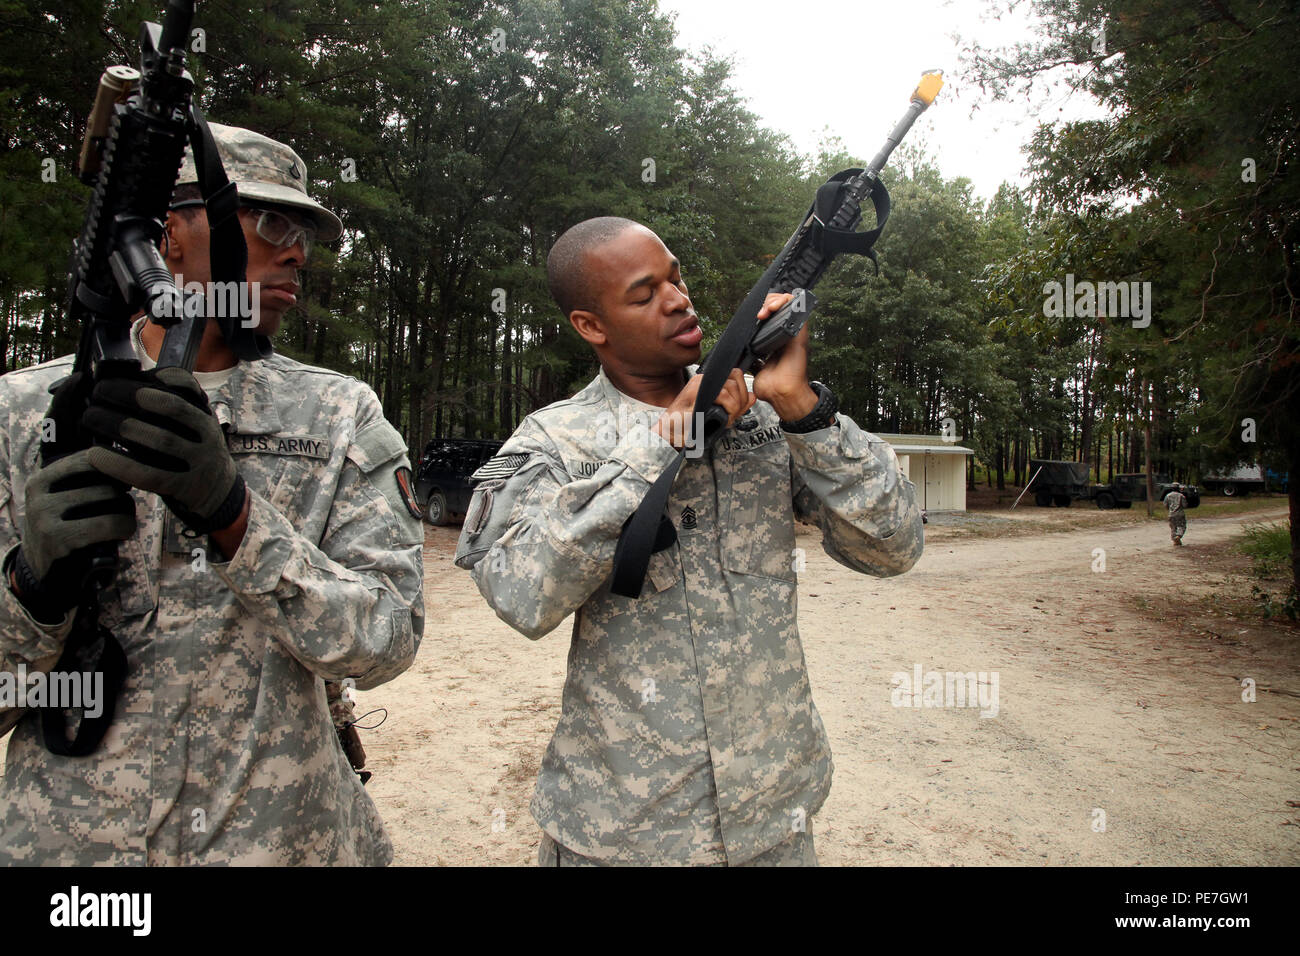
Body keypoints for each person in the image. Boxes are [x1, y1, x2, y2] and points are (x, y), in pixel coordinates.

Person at [0, 123, 425, 865]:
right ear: (168, 237)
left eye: (305, 233)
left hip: (277, 840)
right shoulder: (26, 413)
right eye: (269, 222)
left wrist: (237, 520)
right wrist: (30, 592)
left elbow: (387, 638)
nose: (295, 250)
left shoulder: (336, 414)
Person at [454, 216, 924, 866]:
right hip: (622, 832)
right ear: (592, 325)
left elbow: (893, 545)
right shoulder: (552, 443)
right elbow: (520, 593)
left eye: (675, 278)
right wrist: (657, 446)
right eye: (644, 293)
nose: (677, 298)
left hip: (773, 820)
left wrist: (803, 409)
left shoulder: (761, 419)